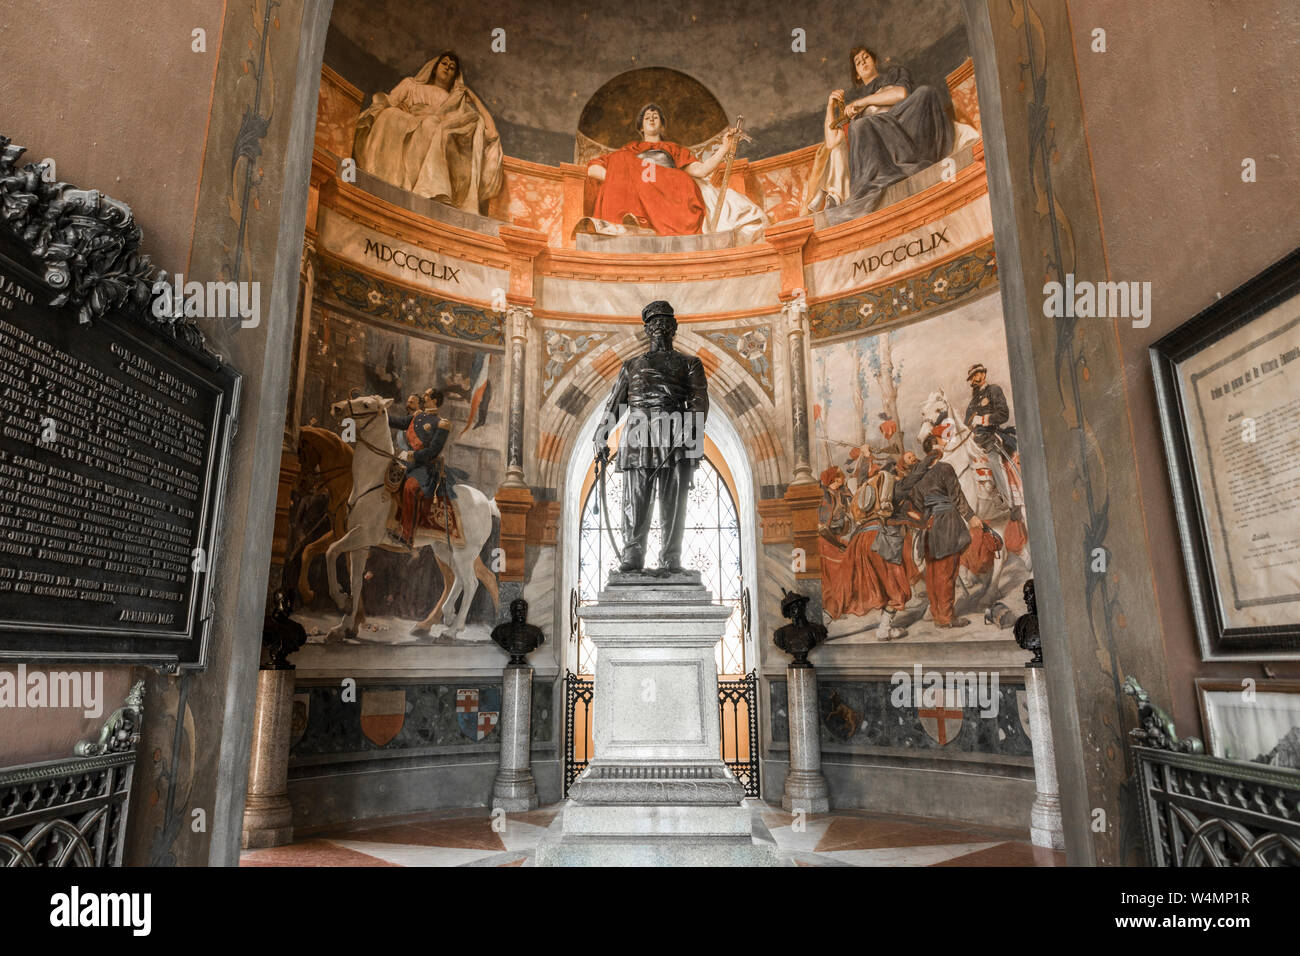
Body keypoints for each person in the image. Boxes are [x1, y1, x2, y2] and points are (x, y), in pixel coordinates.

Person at [592, 300, 709, 573]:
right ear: (647, 329)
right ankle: (632, 554)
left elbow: (699, 401)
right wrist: (602, 432)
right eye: (654, 322)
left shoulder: (690, 363)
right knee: (636, 498)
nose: (660, 326)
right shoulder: (631, 365)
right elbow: (615, 403)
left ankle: (671, 556)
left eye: (666, 322)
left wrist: (690, 427)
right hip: (638, 435)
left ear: (674, 327)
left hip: (676, 435)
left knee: (673, 501)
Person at [353, 50, 503, 214]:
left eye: (452, 67)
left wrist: (472, 96)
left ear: (455, 75)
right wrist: (397, 107)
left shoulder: (456, 101)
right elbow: (390, 102)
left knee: (431, 124)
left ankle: (421, 188)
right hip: (407, 119)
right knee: (389, 115)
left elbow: (491, 133)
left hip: (434, 127)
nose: (447, 68)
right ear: (435, 66)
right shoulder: (412, 86)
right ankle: (381, 176)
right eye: (444, 63)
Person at [812, 46, 953, 214]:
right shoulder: (853, 108)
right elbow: (831, 142)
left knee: (925, 92)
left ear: (874, 61)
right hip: (879, 142)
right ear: (857, 73)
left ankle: (911, 160)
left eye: (866, 57)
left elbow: (901, 94)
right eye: (858, 62)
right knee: (859, 126)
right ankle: (868, 184)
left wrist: (863, 103)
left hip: (903, 125)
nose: (863, 62)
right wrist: (830, 106)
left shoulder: (894, 75)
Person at [585, 103, 742, 237]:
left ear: (662, 125)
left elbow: (701, 171)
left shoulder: (673, 149)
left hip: (666, 196)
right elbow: (592, 169)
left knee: (682, 179)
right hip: (635, 193)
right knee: (621, 158)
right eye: (647, 117)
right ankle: (629, 221)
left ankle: (642, 223)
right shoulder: (629, 150)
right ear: (641, 127)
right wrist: (624, 179)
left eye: (656, 117)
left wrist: (724, 147)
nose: (652, 119)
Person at [908, 433, 984, 628]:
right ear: (934, 448)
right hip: (946, 522)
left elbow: (916, 504)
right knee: (947, 570)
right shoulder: (945, 468)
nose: (944, 446)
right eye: (941, 443)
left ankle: (937, 613)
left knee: (933, 571)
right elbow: (956, 496)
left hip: (929, 526)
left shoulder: (917, 473)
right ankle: (946, 618)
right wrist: (971, 517)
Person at [386, 388, 465, 545]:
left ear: (434, 400)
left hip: (426, 468)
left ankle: (407, 535)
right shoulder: (417, 416)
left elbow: (433, 451)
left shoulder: (442, 424)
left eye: (427, 395)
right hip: (408, 464)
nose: (424, 396)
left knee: (411, 487)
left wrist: (413, 456)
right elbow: (397, 422)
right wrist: (379, 413)